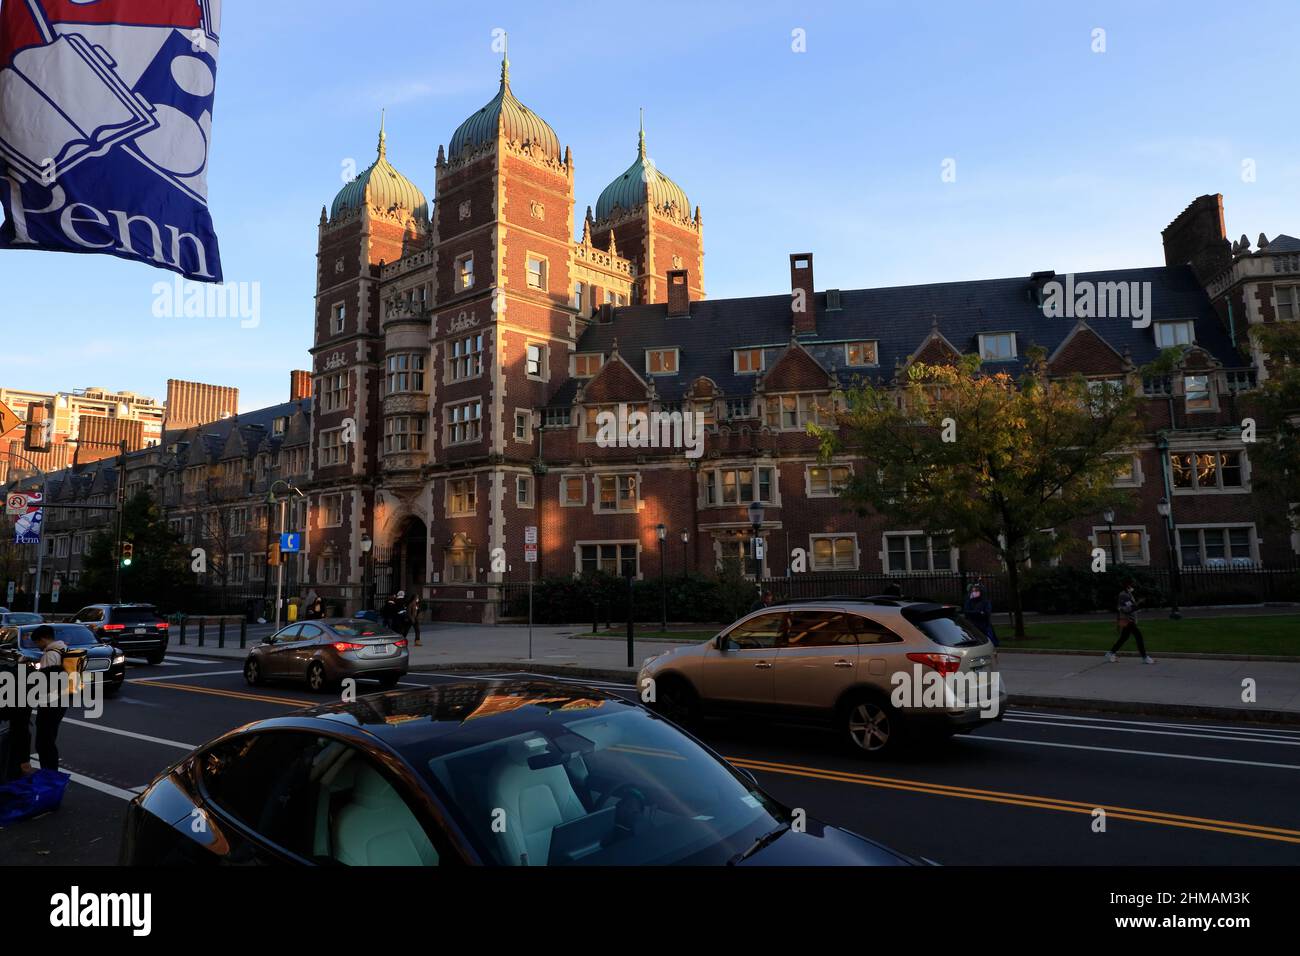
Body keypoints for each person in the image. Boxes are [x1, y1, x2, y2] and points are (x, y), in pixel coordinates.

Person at [27, 624, 70, 774]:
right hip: (62, 699)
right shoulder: (63, 648)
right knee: (49, 739)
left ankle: (49, 774)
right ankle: (50, 773)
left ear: (44, 639)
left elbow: (44, 681)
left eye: (37, 642)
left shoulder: (50, 654)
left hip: (51, 702)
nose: (37, 646)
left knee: (44, 742)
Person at [1107, 581, 1155, 664]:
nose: (1133, 587)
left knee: (1123, 638)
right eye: (1131, 585)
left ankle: (1110, 653)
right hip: (1128, 620)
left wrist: (1137, 604)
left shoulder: (1127, 594)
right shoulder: (1124, 595)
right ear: (1127, 586)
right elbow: (1127, 609)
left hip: (1129, 619)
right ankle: (1145, 657)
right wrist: (1139, 603)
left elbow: (1129, 606)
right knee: (1138, 637)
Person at [963, 581, 998, 647]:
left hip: (984, 625)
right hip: (973, 625)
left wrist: (978, 613)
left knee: (987, 642)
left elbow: (986, 613)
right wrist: (978, 612)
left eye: (976, 591)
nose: (974, 592)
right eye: (973, 591)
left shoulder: (985, 602)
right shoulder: (970, 601)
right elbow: (966, 612)